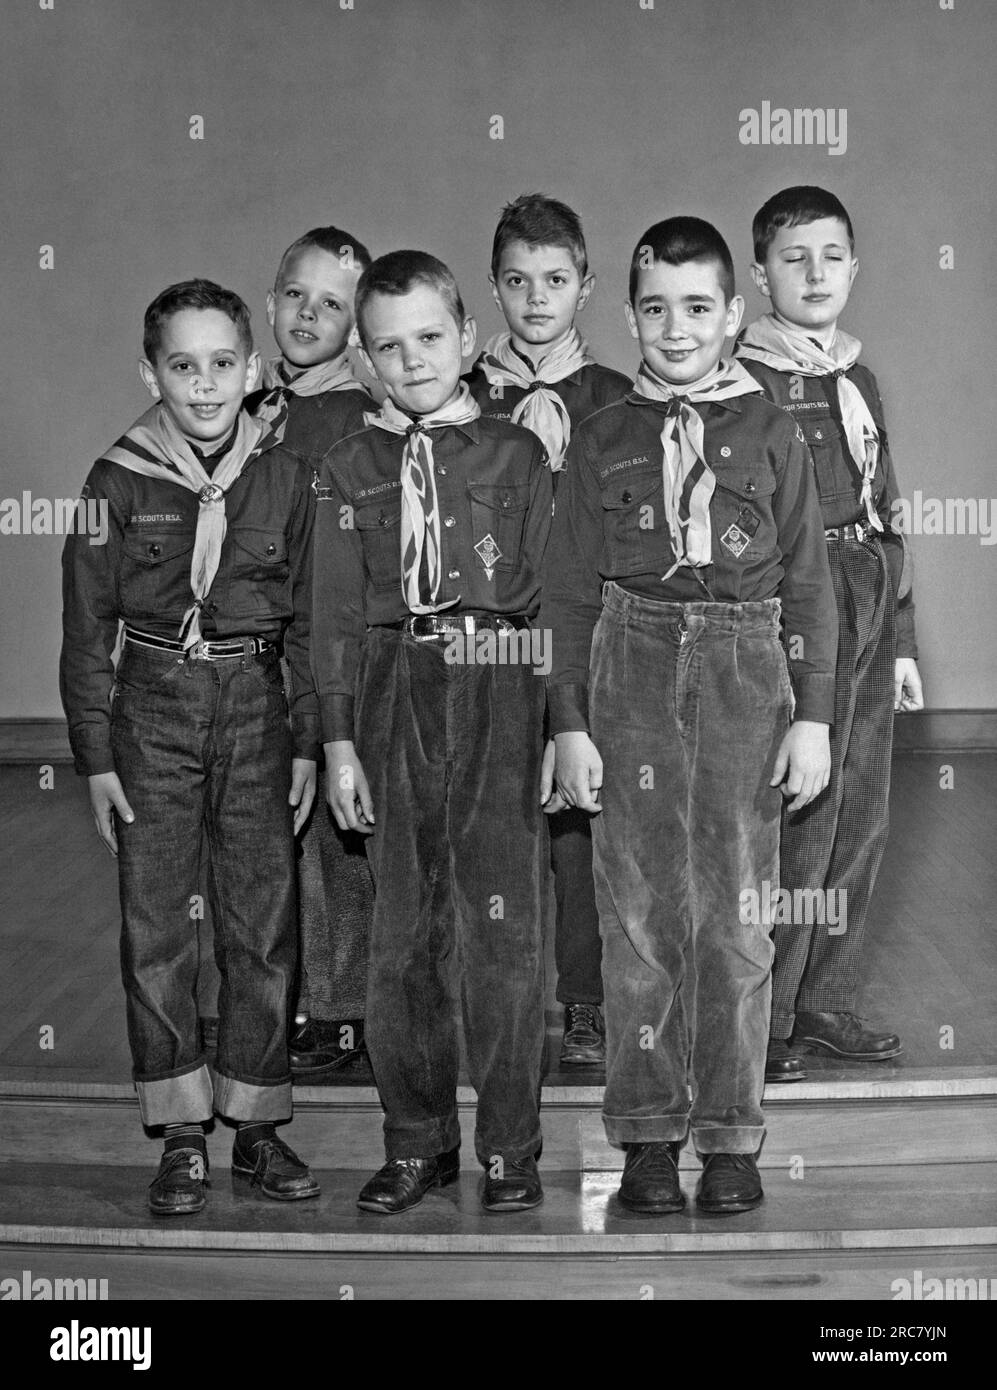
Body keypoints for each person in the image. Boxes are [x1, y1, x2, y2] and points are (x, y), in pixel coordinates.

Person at [540, 217, 837, 1215]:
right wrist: (569, 720)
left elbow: (810, 582)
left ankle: (728, 1133)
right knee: (639, 915)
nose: (676, 327)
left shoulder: (770, 430)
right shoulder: (602, 436)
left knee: (738, 912)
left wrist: (814, 716)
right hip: (631, 655)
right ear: (628, 316)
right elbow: (568, 590)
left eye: (697, 306)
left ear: (732, 315)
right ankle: (648, 1135)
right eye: (655, 307)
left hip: (747, 662)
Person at [60, 279, 320, 1215]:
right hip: (153, 706)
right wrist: (93, 757)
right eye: (182, 366)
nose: (204, 386)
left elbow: (308, 624)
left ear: (251, 370)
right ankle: (178, 1130)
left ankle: (254, 1125)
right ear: (150, 372)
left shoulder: (285, 477)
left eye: (222, 365)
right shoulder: (116, 480)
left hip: (255, 701)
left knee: (260, 919)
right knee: (158, 924)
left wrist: (307, 740)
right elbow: (86, 630)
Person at [311, 251, 552, 1214]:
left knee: (504, 929)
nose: (409, 361)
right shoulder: (344, 468)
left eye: (428, 338)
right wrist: (335, 742)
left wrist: (555, 721)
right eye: (386, 347)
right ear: (364, 361)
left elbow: (549, 597)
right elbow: (329, 618)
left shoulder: (517, 454)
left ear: (464, 336)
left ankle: (510, 1145)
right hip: (387, 682)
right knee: (399, 932)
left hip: (498, 677)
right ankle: (417, 1139)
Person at [736, 186, 923, 1082]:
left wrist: (906, 639)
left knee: (861, 812)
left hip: (868, 590)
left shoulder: (859, 377)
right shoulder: (748, 381)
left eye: (830, 256)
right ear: (759, 273)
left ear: (855, 267)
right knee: (796, 813)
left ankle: (824, 1003)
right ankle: (763, 1020)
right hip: (798, 602)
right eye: (792, 257)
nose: (814, 275)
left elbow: (885, 508)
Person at [465, 193, 630, 1068]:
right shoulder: (460, 396)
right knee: (495, 821)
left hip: (586, 634)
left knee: (580, 826)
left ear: (585, 287)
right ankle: (496, 993)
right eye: (518, 281)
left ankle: (585, 999)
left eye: (555, 280)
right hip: (486, 637)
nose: (537, 299)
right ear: (493, 286)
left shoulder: (613, 396)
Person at [250, 224, 376, 1076]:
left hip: (332, 643)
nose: (308, 314)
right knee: (270, 831)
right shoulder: (254, 405)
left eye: (332, 303)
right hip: (254, 646)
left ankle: (343, 1008)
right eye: (297, 295)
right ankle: (280, 995)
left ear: (355, 324)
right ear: (270, 300)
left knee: (338, 837)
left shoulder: (357, 413)